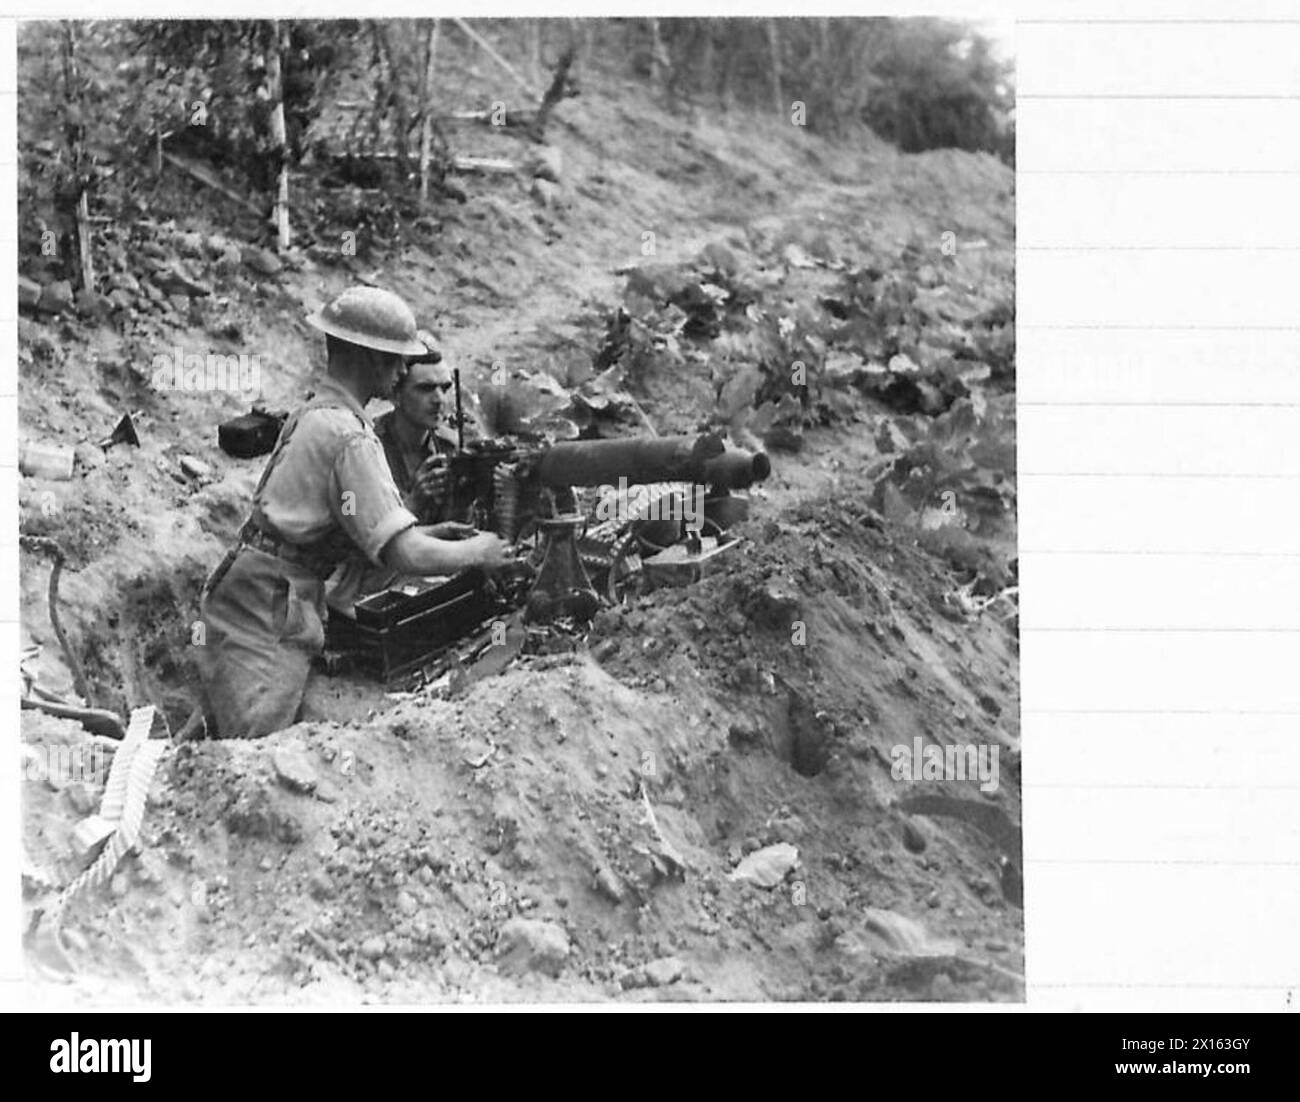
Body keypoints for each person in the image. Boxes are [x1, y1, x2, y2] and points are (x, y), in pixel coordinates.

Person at [196, 286, 510, 738]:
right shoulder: (350, 436)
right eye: (398, 358)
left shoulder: (316, 412)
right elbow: (405, 554)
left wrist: (434, 532)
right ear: (369, 357)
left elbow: (341, 529)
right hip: (267, 604)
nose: (404, 368)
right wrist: (481, 551)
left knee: (237, 726)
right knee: (256, 749)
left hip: (258, 590)